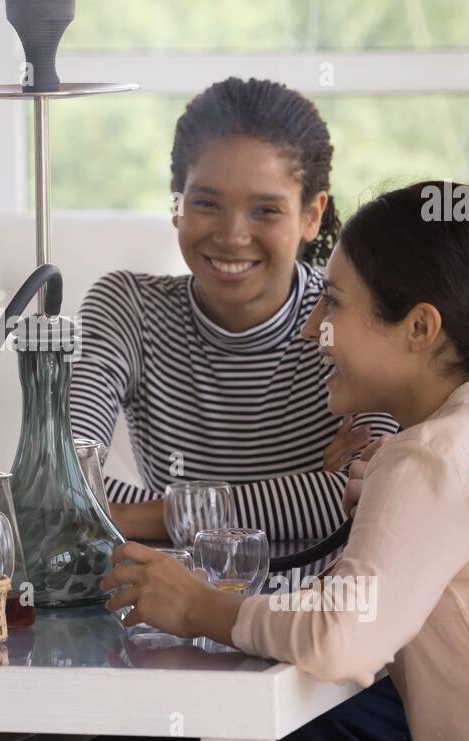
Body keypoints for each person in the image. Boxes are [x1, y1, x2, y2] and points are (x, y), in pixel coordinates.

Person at [104, 182, 469, 741]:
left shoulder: (434, 458)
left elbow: (339, 638)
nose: (311, 329)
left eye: (334, 303)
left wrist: (196, 607)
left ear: (420, 329)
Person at [70, 76, 395, 570]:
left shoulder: (352, 316)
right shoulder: (128, 307)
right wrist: (305, 495)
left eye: (265, 210)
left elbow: (372, 490)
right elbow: (66, 478)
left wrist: (131, 515)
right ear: (176, 201)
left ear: (311, 215)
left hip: (314, 617)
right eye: (206, 203)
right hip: (173, 609)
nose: (232, 235)